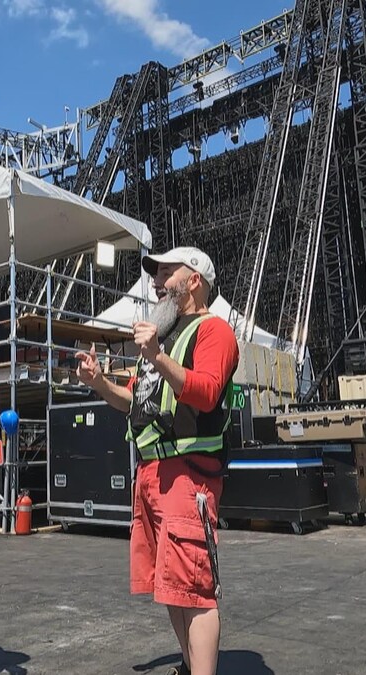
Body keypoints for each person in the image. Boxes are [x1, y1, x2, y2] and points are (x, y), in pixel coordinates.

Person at [75, 246, 239, 675]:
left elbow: (205, 391)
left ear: (195, 280)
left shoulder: (213, 332)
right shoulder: (165, 340)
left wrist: (157, 358)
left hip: (188, 475)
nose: (156, 280)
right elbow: (134, 402)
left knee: (195, 586)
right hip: (152, 473)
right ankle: (189, 665)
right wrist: (98, 382)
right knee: (170, 585)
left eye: (167, 271)